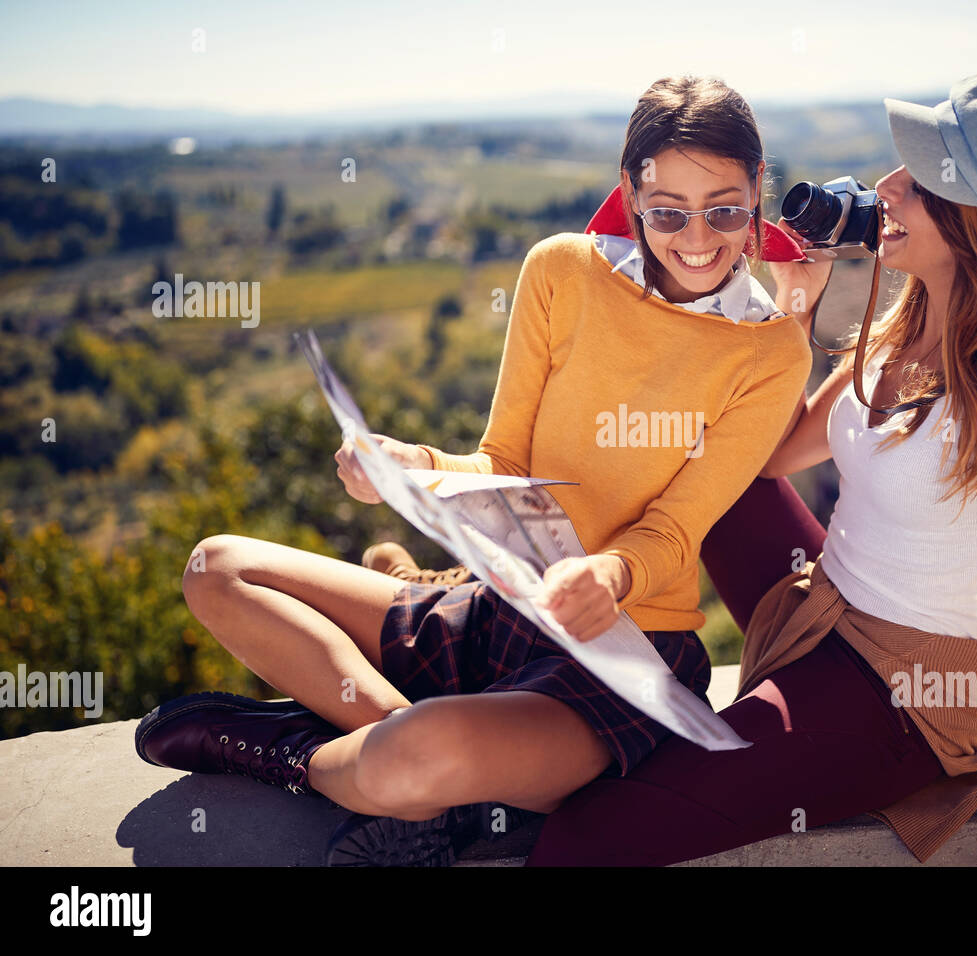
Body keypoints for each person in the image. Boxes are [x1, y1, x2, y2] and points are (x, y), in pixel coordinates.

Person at [525, 69, 977, 866]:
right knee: (708, 461)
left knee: (589, 835)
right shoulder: (898, 332)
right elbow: (767, 454)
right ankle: (551, 613)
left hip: (902, 689)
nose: (888, 188)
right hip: (820, 601)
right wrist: (795, 305)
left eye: (924, 179)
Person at [133, 74, 814, 866]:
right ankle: (407, 760)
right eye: (667, 211)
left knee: (414, 759)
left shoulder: (771, 350)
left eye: (725, 210)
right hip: (496, 610)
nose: (697, 238)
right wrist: (409, 466)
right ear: (631, 194)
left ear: (757, 188)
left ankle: (292, 750)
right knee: (215, 570)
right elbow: (502, 464)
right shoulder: (561, 272)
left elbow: (674, 528)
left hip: (623, 655)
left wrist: (610, 573)